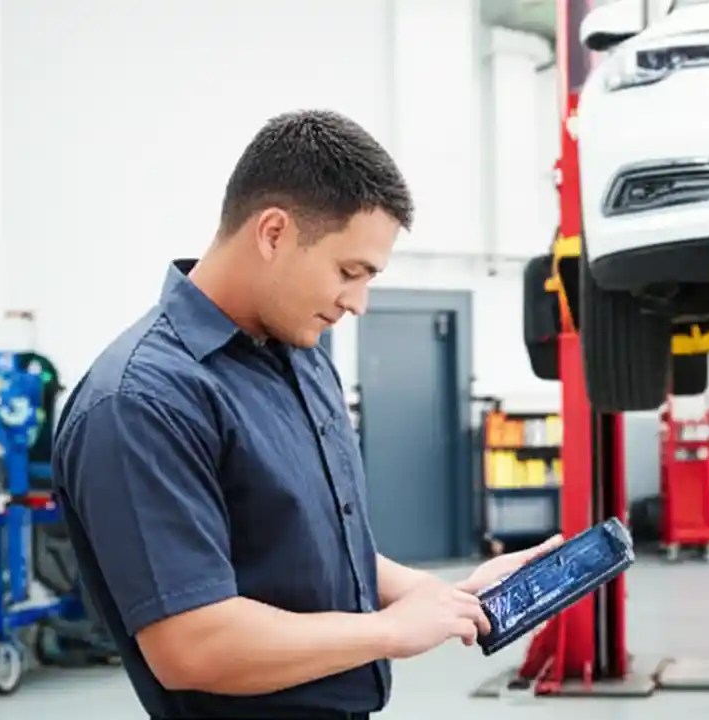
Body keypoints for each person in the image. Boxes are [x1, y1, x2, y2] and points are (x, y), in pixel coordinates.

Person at [51, 109, 561, 720]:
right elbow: (194, 645)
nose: (359, 303)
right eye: (349, 272)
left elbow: (307, 545)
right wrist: (390, 630)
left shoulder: (301, 354)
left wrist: (438, 596)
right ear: (273, 233)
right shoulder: (142, 401)